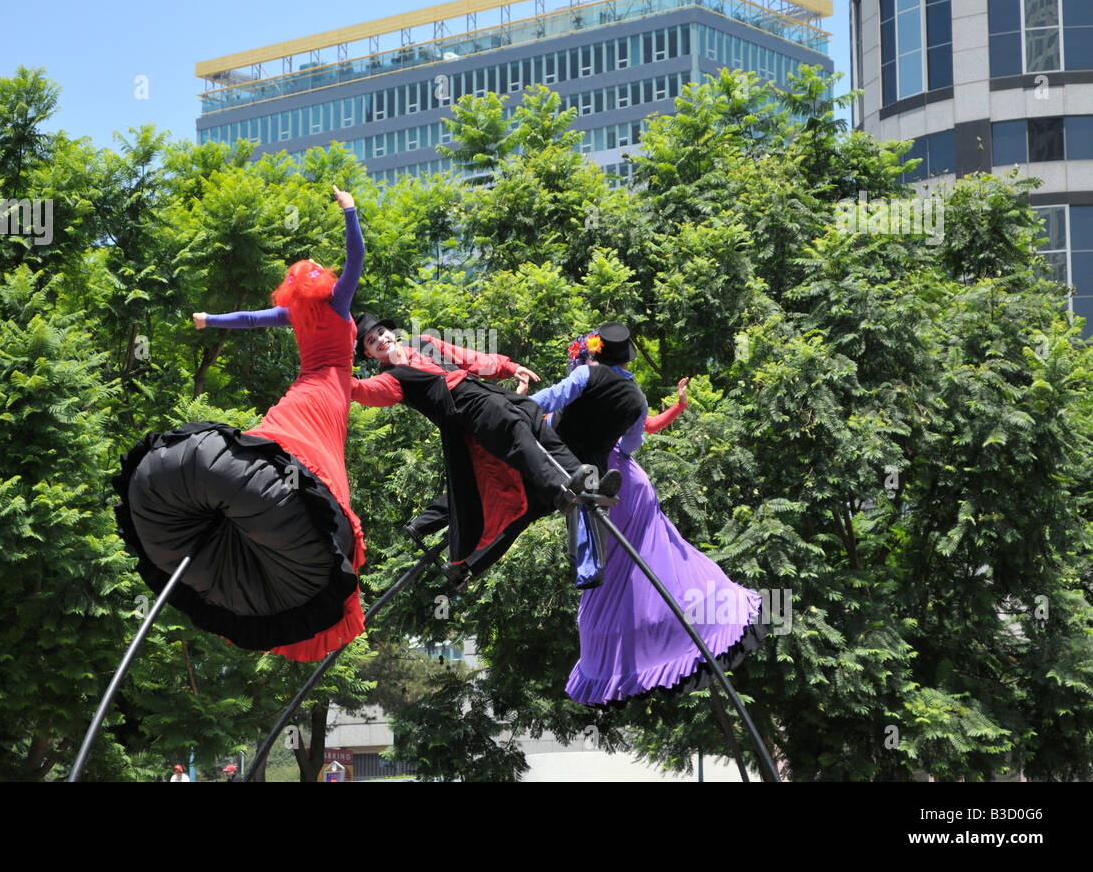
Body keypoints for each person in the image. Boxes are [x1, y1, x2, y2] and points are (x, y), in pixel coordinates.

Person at [112, 185, 366, 662]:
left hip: (307, 387)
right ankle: (282, 473)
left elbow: (251, 318)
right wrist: (349, 210)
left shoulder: (296, 311)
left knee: (285, 433)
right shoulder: (336, 303)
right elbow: (357, 257)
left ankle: (268, 463)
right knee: (312, 452)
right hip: (330, 390)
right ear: (320, 281)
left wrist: (209, 320)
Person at [527, 324, 766, 704]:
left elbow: (549, 402)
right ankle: (685, 620)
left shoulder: (583, 378)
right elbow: (639, 437)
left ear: (593, 353)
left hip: (600, 487)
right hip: (627, 483)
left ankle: (628, 645)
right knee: (654, 558)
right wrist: (679, 406)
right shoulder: (632, 395)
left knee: (621, 569)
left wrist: (515, 411)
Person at [349, 315, 618, 587]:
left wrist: (509, 367)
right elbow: (364, 391)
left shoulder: (424, 343)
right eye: (371, 341)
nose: (380, 340)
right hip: (464, 412)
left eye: (381, 332)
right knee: (513, 427)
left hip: (482, 392)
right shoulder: (391, 379)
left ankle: (581, 478)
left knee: (534, 416)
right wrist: (333, 378)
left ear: (391, 332)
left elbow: (470, 359)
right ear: (369, 353)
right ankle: (559, 492)